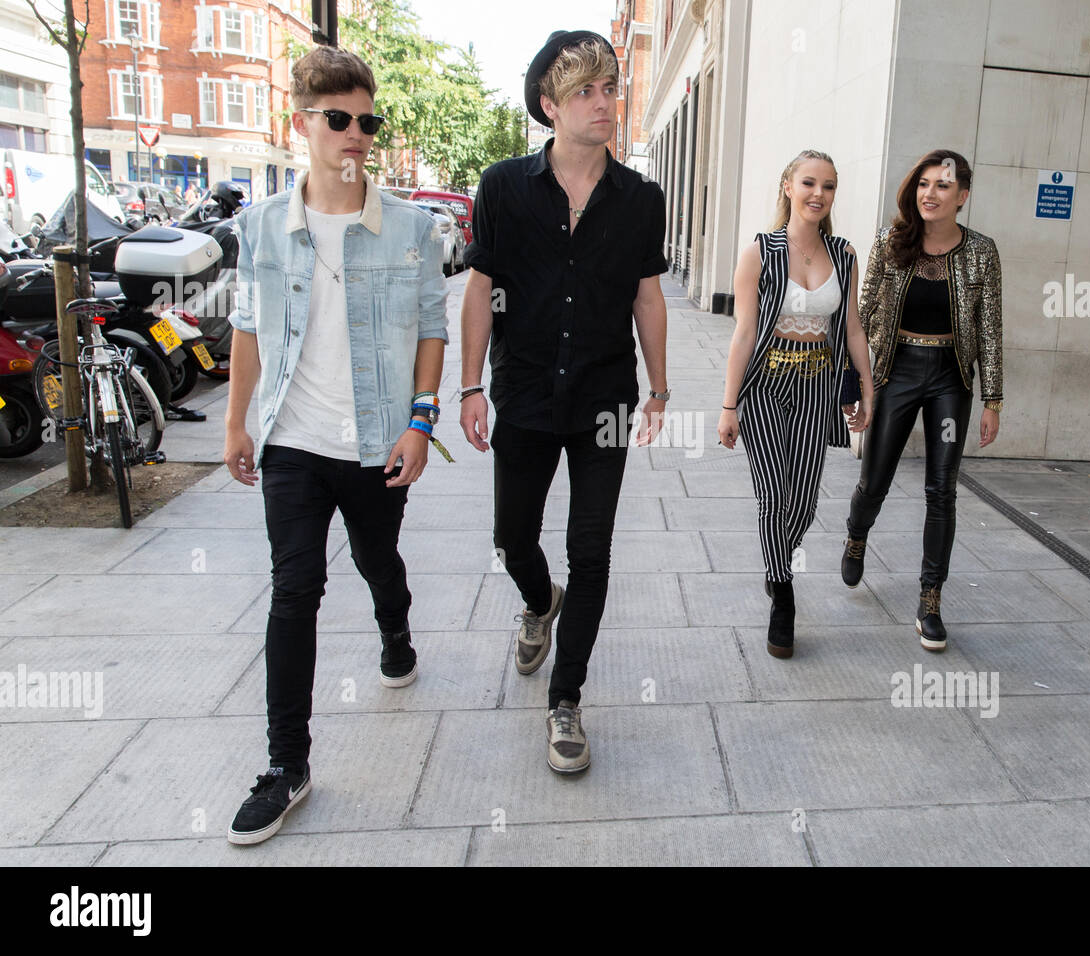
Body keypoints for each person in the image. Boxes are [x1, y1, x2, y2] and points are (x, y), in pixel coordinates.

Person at [222, 45, 448, 843]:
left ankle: (396, 625)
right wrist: (236, 420)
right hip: (292, 439)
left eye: (366, 120)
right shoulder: (260, 227)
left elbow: (431, 330)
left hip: (380, 439)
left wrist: (422, 423)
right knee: (296, 589)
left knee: (376, 560)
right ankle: (288, 765)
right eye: (339, 120)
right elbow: (247, 328)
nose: (356, 135)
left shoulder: (412, 228)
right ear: (302, 125)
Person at [459, 30, 668, 774]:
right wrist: (471, 384)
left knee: (594, 550)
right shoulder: (504, 187)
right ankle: (537, 599)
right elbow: (481, 288)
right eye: (586, 92)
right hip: (521, 393)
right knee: (512, 537)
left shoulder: (641, 198)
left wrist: (661, 386)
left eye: (610, 88)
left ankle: (566, 699)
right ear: (549, 106)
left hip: (606, 396)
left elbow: (648, 294)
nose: (605, 102)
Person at [840, 148, 1003, 652]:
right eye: (924, 184)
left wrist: (993, 398)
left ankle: (930, 599)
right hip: (898, 373)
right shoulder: (891, 245)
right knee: (876, 478)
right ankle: (856, 533)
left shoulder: (982, 251)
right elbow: (861, 318)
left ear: (963, 196)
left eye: (943, 186)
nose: (930, 194)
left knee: (942, 489)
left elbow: (990, 327)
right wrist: (856, 385)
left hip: (951, 380)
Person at [718, 150, 873, 659]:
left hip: (814, 387)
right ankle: (782, 595)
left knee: (803, 501)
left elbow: (851, 327)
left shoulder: (845, 255)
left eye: (828, 186)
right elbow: (743, 332)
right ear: (787, 186)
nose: (818, 194)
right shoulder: (761, 251)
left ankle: (775, 561)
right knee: (773, 493)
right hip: (763, 386)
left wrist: (866, 387)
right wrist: (728, 405)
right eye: (808, 183)